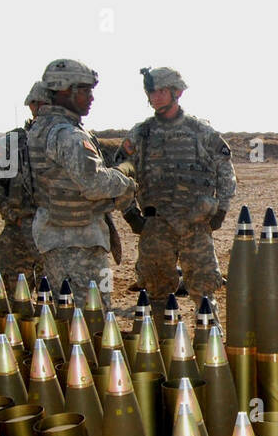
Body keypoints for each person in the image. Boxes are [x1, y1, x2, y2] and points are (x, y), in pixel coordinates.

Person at [26, 59, 135, 309]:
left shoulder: (42, 128)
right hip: (79, 244)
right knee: (95, 316)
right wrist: (125, 182)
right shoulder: (68, 135)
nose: (91, 98)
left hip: (55, 239)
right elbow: (94, 183)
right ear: (65, 90)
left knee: (68, 316)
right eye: (85, 91)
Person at [119, 66, 235, 299]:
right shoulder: (140, 134)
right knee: (155, 290)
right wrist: (130, 214)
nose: (156, 96)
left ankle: (208, 333)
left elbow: (225, 170)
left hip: (195, 224)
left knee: (204, 290)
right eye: (152, 92)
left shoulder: (201, 132)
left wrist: (221, 209)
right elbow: (122, 175)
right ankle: (162, 335)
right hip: (155, 225)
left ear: (177, 92)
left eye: (162, 91)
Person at [0, 80, 49, 281]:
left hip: (61, 235)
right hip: (19, 233)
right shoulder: (12, 143)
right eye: (41, 104)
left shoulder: (71, 139)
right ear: (32, 106)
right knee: (14, 301)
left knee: (63, 302)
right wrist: (13, 215)